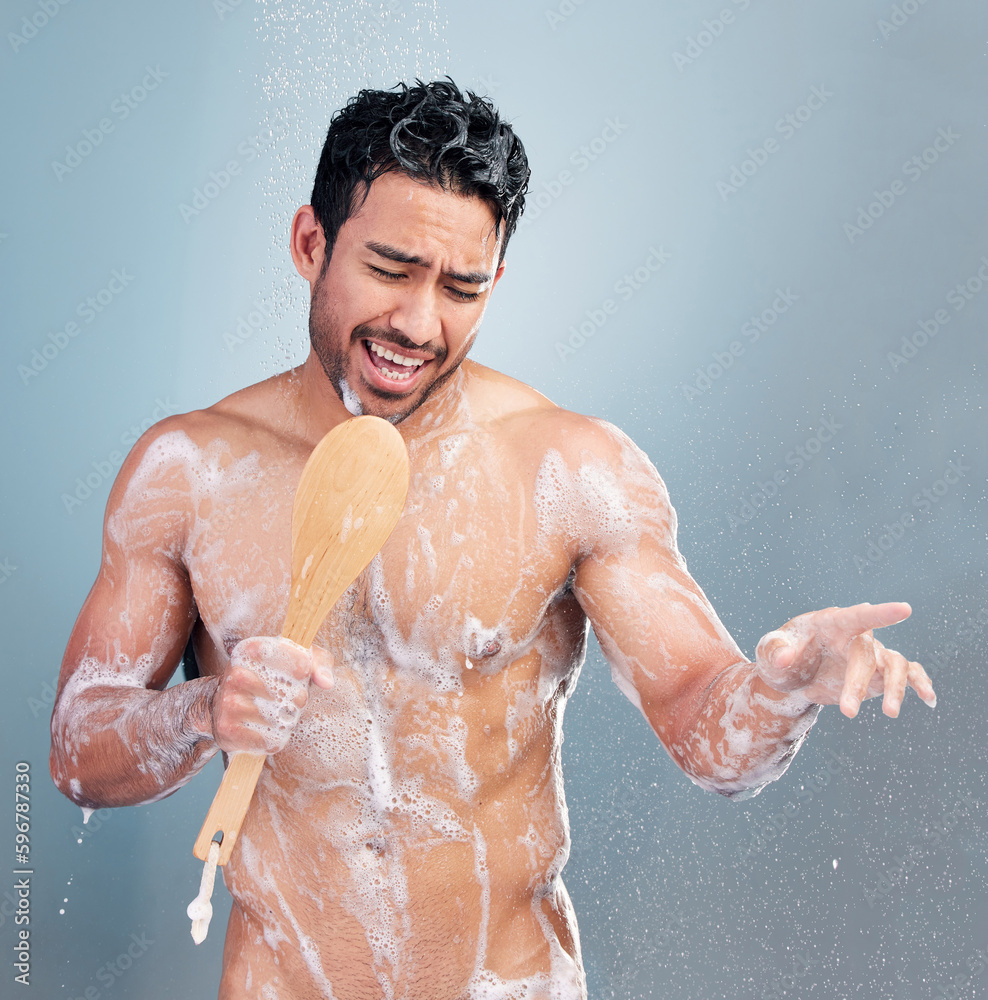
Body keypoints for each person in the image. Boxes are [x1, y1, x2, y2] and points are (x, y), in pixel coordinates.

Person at [50, 79, 936, 1000]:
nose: (418, 324)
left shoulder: (570, 470)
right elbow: (79, 750)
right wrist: (201, 713)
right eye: (390, 270)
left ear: (496, 283)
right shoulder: (190, 470)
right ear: (311, 243)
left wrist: (780, 692)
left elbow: (709, 734)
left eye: (461, 288)